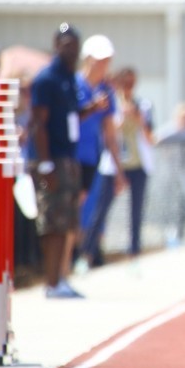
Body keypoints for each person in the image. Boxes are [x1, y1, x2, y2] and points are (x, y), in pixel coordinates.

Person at [27, 23, 107, 298]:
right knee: (53, 222)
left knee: (67, 223)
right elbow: (39, 123)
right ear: (56, 45)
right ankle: (50, 282)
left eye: (74, 45)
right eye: (65, 45)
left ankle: (60, 278)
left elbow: (70, 116)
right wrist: (46, 164)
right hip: (52, 160)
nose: (70, 50)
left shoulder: (70, 79)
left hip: (68, 157)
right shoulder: (46, 79)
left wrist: (91, 109)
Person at [81, 67, 155, 266]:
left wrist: (139, 119)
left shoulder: (143, 105)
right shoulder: (111, 103)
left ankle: (134, 253)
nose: (128, 86)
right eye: (125, 81)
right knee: (101, 209)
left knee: (136, 210)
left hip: (137, 164)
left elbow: (150, 138)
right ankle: (86, 254)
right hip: (114, 165)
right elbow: (108, 132)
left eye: (132, 82)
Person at [73, 35, 124, 272]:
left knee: (87, 206)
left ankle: (81, 255)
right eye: (99, 60)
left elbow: (110, 133)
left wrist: (119, 170)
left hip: (92, 157)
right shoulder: (73, 84)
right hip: (69, 155)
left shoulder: (106, 91)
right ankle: (69, 259)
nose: (104, 65)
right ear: (88, 59)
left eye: (107, 61)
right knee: (71, 207)